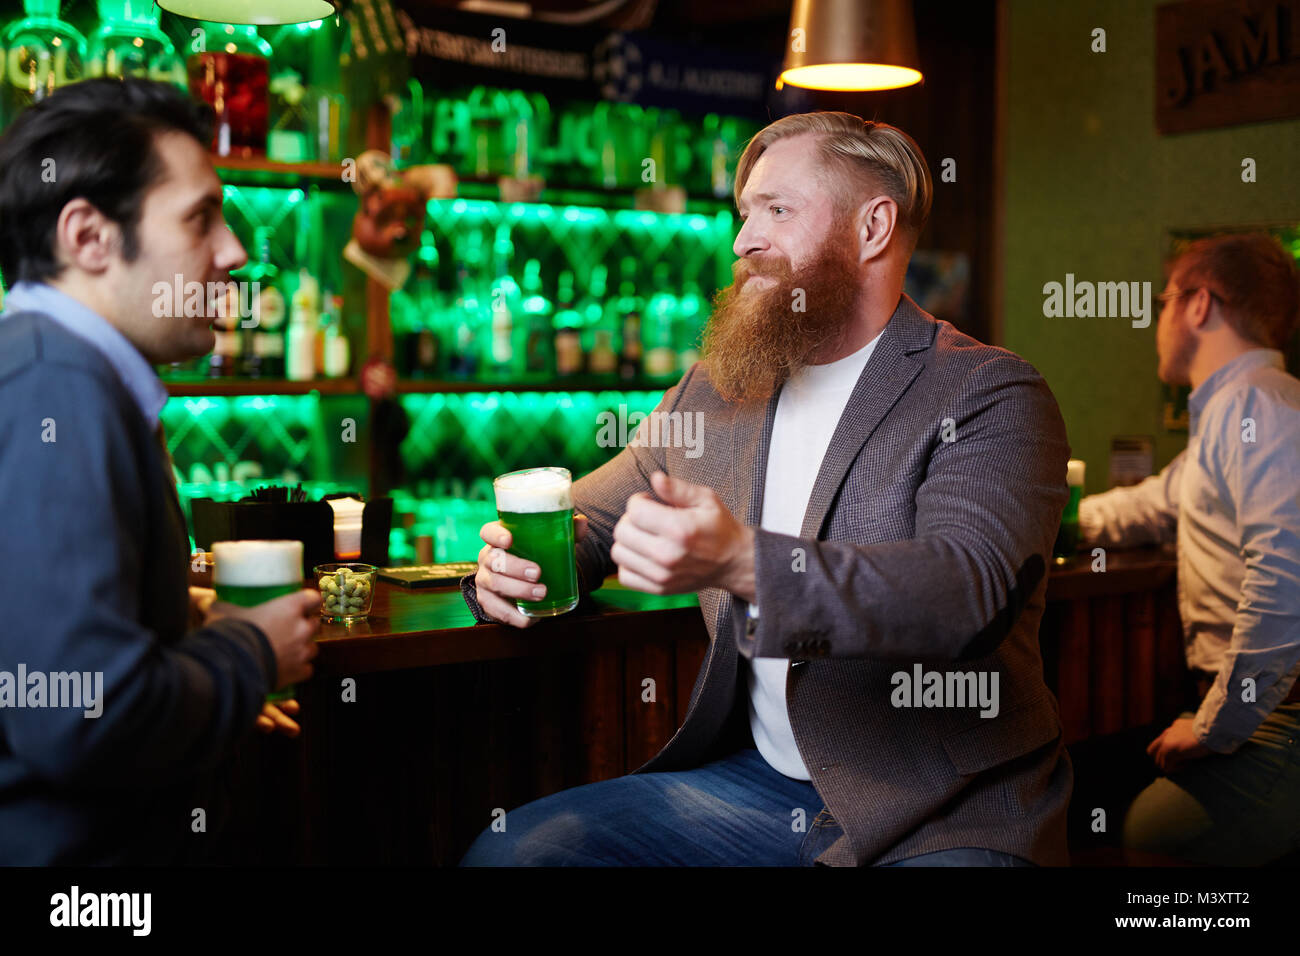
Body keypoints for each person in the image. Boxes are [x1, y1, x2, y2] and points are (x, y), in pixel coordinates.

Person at [458, 111, 1074, 867]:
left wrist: (741, 560)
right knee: (514, 856)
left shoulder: (989, 391)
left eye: (777, 210)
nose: (743, 240)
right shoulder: (716, 390)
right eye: (744, 212)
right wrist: (520, 567)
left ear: (873, 226)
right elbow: (593, 512)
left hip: (943, 807)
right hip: (751, 789)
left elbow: (965, 592)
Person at [0, 78, 321, 865]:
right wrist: (248, 651)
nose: (235, 251)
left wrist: (171, 619)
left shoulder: (53, 368)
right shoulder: (60, 385)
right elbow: (82, 715)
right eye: (200, 218)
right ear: (89, 237)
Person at [1078, 232, 1300, 866]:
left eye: (1165, 300)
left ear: (1199, 305)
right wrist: (1040, 517)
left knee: (1150, 832)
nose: (1159, 319)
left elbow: (1285, 578)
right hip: (1254, 706)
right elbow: (1147, 505)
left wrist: (1214, 727)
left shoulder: (1259, 408)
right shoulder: (1239, 412)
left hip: (1280, 715)